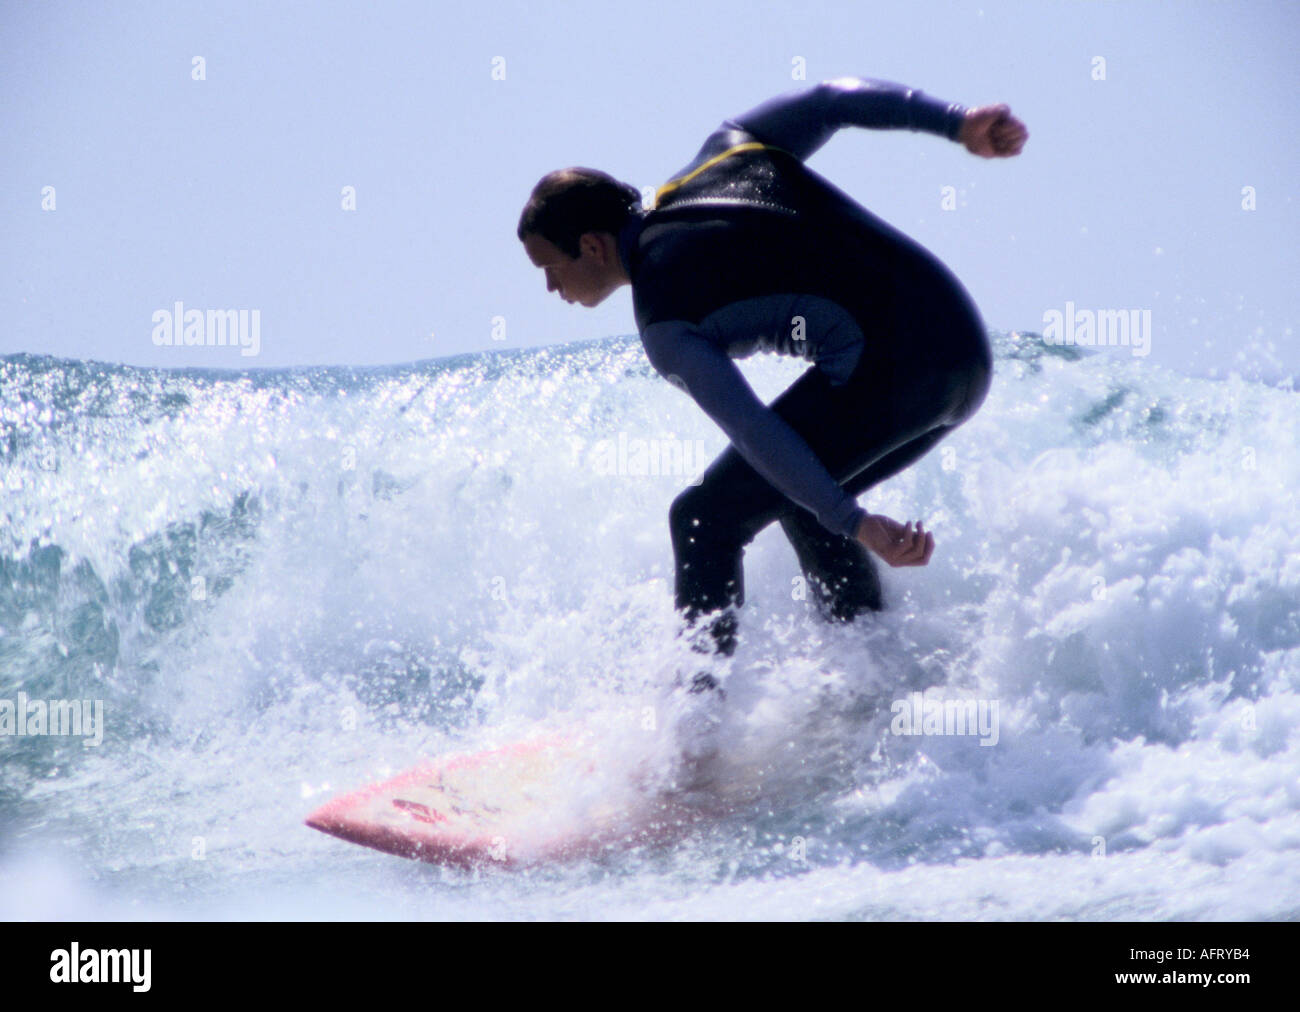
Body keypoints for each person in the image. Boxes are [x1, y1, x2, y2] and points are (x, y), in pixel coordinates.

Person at [518, 76, 1027, 666]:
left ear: (592, 245)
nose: (551, 288)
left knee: (704, 518)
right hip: (964, 346)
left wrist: (855, 522)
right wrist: (956, 121)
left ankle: (698, 730)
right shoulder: (734, 146)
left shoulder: (666, 321)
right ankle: (876, 675)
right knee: (806, 498)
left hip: (905, 369)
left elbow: (755, 430)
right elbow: (833, 100)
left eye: (548, 268)